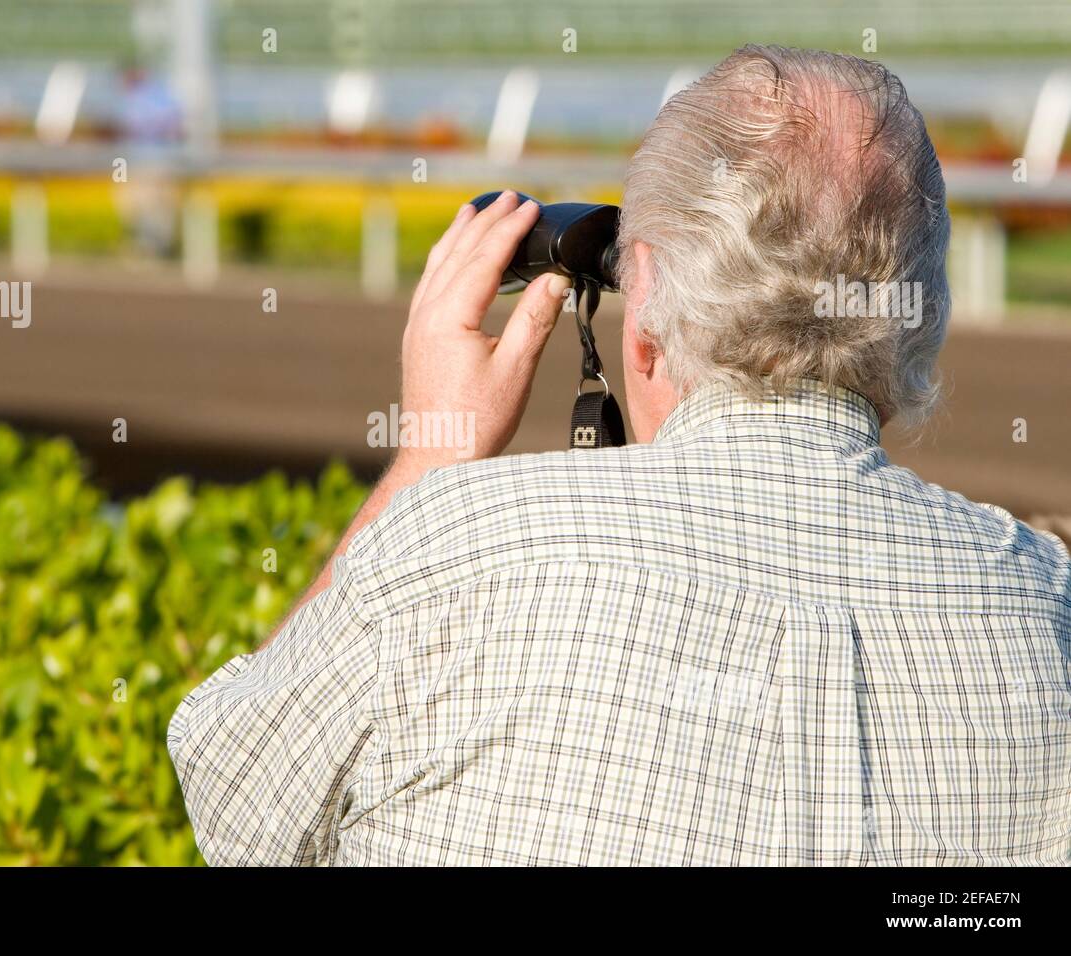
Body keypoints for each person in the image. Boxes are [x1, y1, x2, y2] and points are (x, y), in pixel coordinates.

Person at [169, 46, 1071, 866]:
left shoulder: (451, 550)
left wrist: (428, 462)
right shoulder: (1049, 606)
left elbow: (233, 801)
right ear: (922, 320)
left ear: (639, 307)